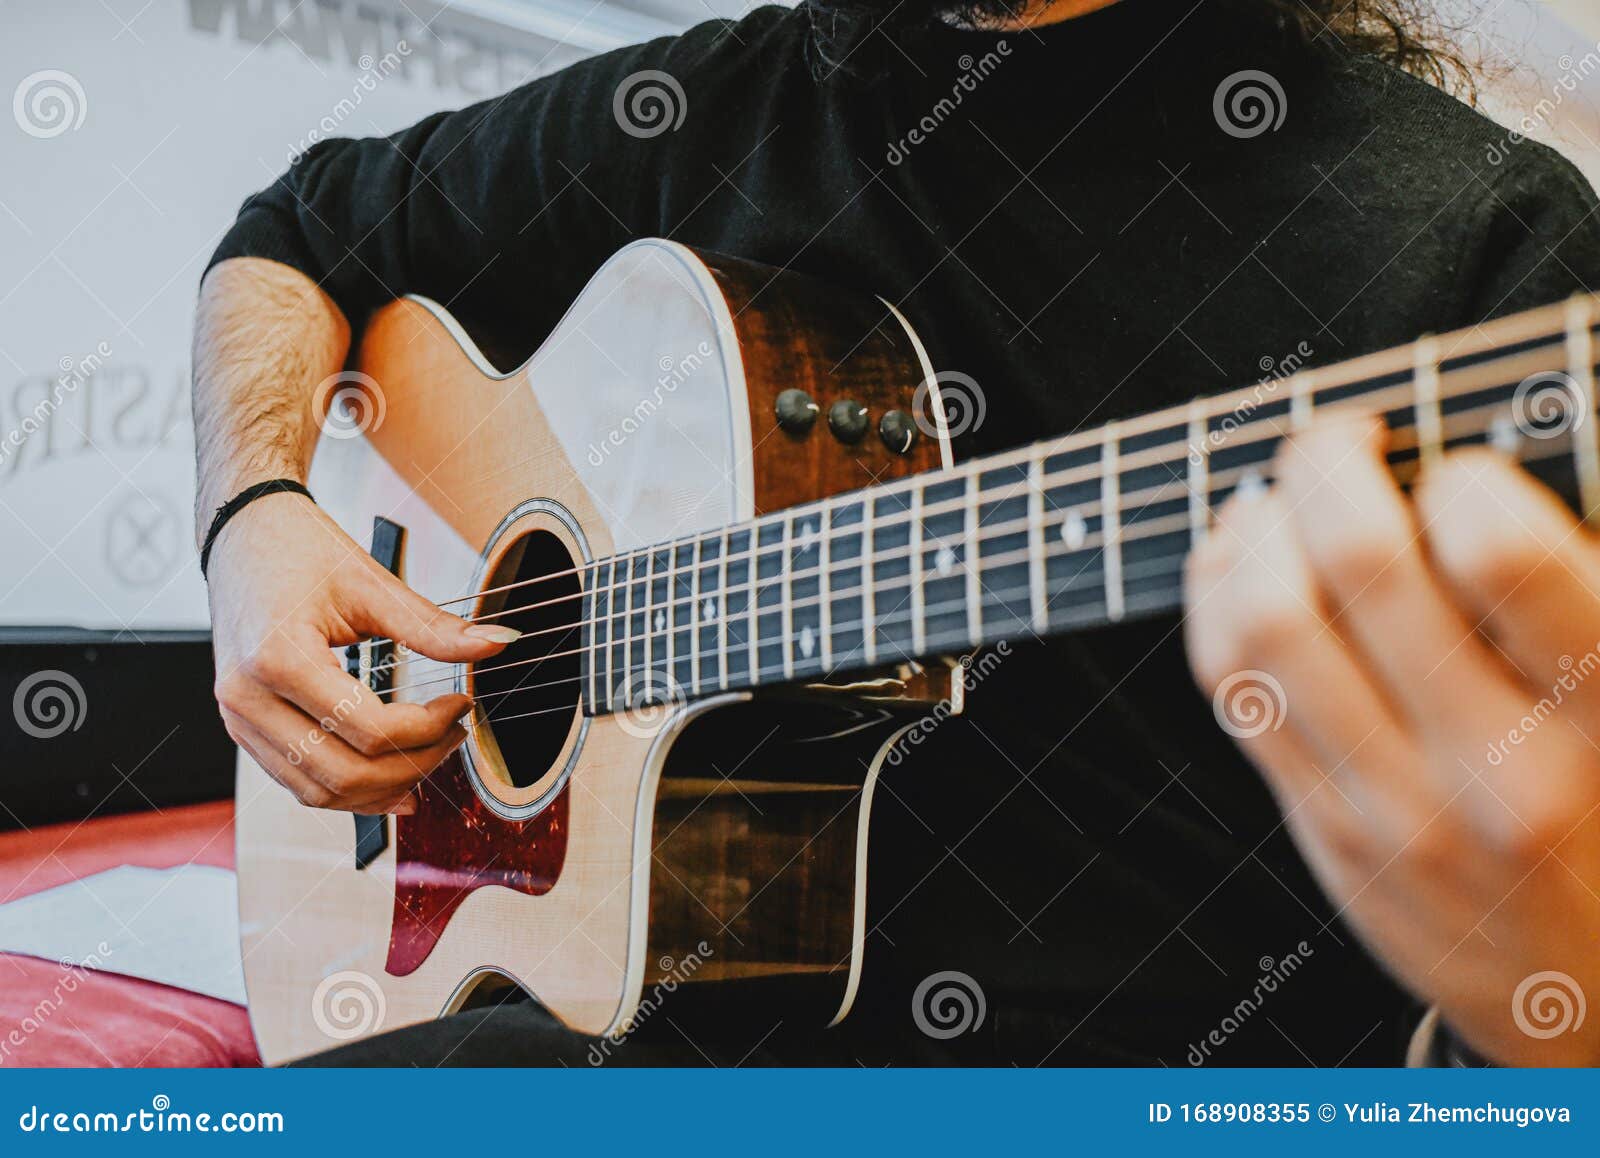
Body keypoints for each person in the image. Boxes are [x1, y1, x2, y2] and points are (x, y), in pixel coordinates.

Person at [193, 0, 1600, 1065]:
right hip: (618, 1050)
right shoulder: (725, 103)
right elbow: (298, 233)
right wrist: (253, 517)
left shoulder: (1483, 247)